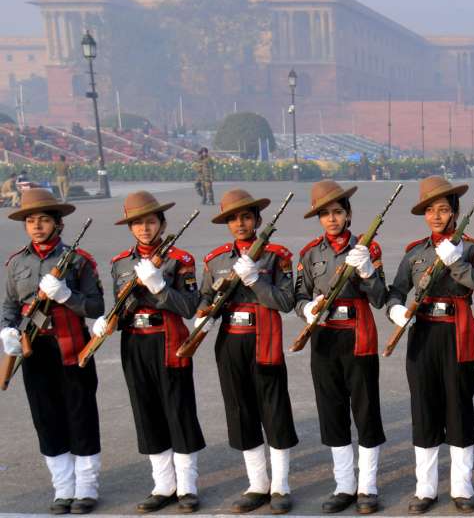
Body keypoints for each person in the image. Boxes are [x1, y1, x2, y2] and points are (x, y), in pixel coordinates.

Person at [387, 177, 474, 514]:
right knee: (424, 409)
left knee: (458, 408)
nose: (437, 216)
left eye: (443, 209)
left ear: (455, 212)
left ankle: (462, 488)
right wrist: (396, 310)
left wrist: (457, 262)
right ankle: (426, 488)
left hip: (458, 334)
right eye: (431, 211)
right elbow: (396, 291)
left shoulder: (472, 249)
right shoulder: (414, 252)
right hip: (423, 334)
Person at [94, 191, 205, 513]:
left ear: (162, 223)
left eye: (150, 221)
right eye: (138, 223)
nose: (144, 228)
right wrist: (107, 320)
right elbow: (119, 305)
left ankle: (186, 487)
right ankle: (163, 485)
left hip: (170, 340)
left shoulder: (180, 260)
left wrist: (159, 287)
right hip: (135, 343)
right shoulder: (120, 263)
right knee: (147, 412)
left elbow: (188, 306)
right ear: (130, 227)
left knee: (178, 411)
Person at [1, 188, 103, 514]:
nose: (36, 226)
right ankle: (63, 489)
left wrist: (65, 296)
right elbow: (10, 305)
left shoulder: (79, 261)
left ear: (58, 224)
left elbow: (96, 306)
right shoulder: (16, 262)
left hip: (72, 346)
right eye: (30, 220)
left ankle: (86, 488)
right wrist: (6, 329)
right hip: (35, 350)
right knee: (46, 418)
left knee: (80, 416)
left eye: (44, 219)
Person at [198, 189, 298, 514]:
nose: (240, 223)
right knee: (240, 410)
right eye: (233, 218)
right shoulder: (215, 260)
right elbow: (203, 299)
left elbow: (285, 302)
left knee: (274, 409)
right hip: (230, 341)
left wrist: (255, 280)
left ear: (257, 219)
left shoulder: (276, 256)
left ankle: (280, 485)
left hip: (264, 338)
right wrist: (205, 316)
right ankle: (257, 483)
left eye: (246, 217)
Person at [295, 181, 388, 515]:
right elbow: (299, 296)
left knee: (365, 411)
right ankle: (344, 484)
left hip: (359, 336)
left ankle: (368, 487)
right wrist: (307, 309)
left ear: (348, 215)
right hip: (323, 338)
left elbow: (380, 297)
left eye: (338, 212)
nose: (332, 219)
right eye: (325, 214)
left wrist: (366, 272)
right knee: (332, 412)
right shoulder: (309, 253)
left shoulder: (368, 249)